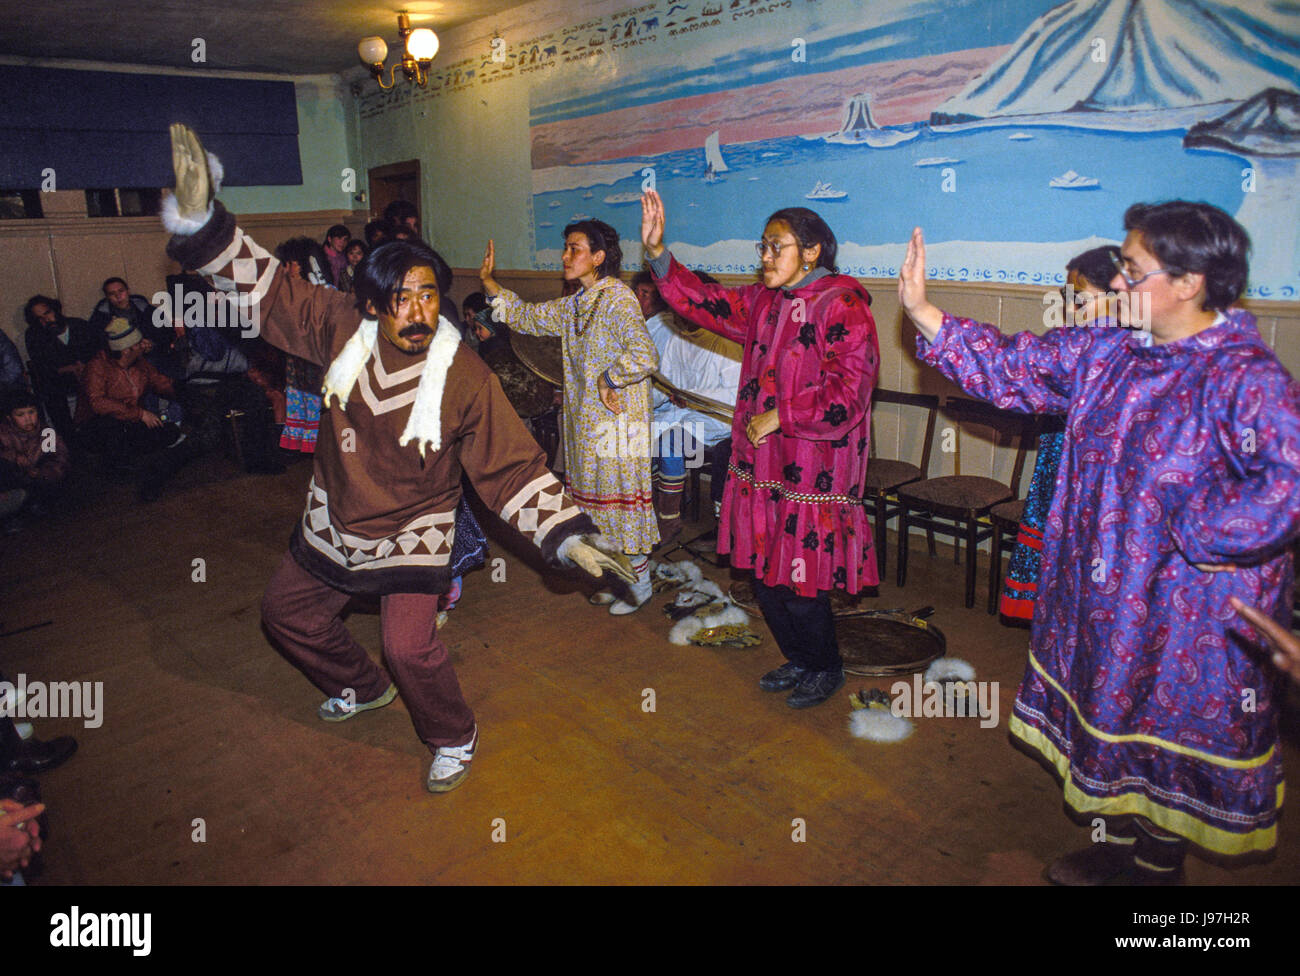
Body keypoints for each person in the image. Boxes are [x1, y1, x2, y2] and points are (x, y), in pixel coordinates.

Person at [162, 124, 633, 792]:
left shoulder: (464, 374)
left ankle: (453, 734)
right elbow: (268, 291)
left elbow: (513, 466)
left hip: (416, 526)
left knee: (408, 646)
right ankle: (362, 686)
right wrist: (204, 222)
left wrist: (570, 540)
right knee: (286, 617)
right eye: (401, 299)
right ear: (374, 304)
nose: (417, 311)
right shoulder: (337, 327)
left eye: (429, 295)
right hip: (337, 514)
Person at [899, 201, 1300, 882]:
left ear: (1189, 281)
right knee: (1109, 710)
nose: (1116, 285)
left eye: (1133, 272)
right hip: (1100, 588)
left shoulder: (1245, 378)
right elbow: (1014, 367)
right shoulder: (1108, 348)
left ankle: (1156, 864)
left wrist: (1190, 529)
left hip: (1189, 609)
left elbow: (1285, 486)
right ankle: (1118, 847)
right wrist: (923, 313)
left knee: (1162, 725)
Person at [640, 191, 880, 708]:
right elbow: (707, 302)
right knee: (764, 570)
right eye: (763, 246)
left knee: (802, 578)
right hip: (760, 461)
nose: (764, 256)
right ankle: (797, 656)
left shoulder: (844, 304)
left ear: (812, 251)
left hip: (813, 468)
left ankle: (825, 666)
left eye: (777, 246)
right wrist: (660, 254)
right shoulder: (764, 301)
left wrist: (783, 414)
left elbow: (849, 394)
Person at [480, 219, 660, 614]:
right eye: (565, 248)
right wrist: (491, 284)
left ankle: (641, 582)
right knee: (597, 505)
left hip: (617, 423)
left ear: (598, 257)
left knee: (622, 505)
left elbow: (645, 356)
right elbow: (528, 318)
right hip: (586, 422)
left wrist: (609, 378)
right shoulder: (577, 303)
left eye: (574, 249)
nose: (565, 256)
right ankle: (618, 576)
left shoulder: (618, 299)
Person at [998, 245, 1120, 619]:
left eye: (1078, 296)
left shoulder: (1127, 350)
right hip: (1057, 459)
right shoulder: (1072, 340)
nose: (1070, 305)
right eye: (1067, 296)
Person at [633, 269, 742, 549]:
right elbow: (665, 381)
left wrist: (689, 396)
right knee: (636, 435)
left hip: (719, 419)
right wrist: (664, 395)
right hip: (686, 413)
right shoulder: (678, 338)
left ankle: (669, 520)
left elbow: (733, 396)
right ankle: (645, 510)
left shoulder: (726, 340)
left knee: (670, 443)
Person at [22, 295, 100, 435]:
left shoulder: (79, 325)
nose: (46, 319)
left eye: (47, 313)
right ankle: (69, 439)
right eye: (39, 318)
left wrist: (85, 367)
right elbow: (41, 365)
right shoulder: (33, 335)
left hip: (90, 373)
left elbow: (97, 351)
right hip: (59, 378)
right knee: (50, 390)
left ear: (55, 310)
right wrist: (69, 369)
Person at [322, 224, 351, 289]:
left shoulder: (345, 256)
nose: (342, 242)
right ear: (329, 239)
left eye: (345, 239)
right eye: (339, 238)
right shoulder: (321, 255)